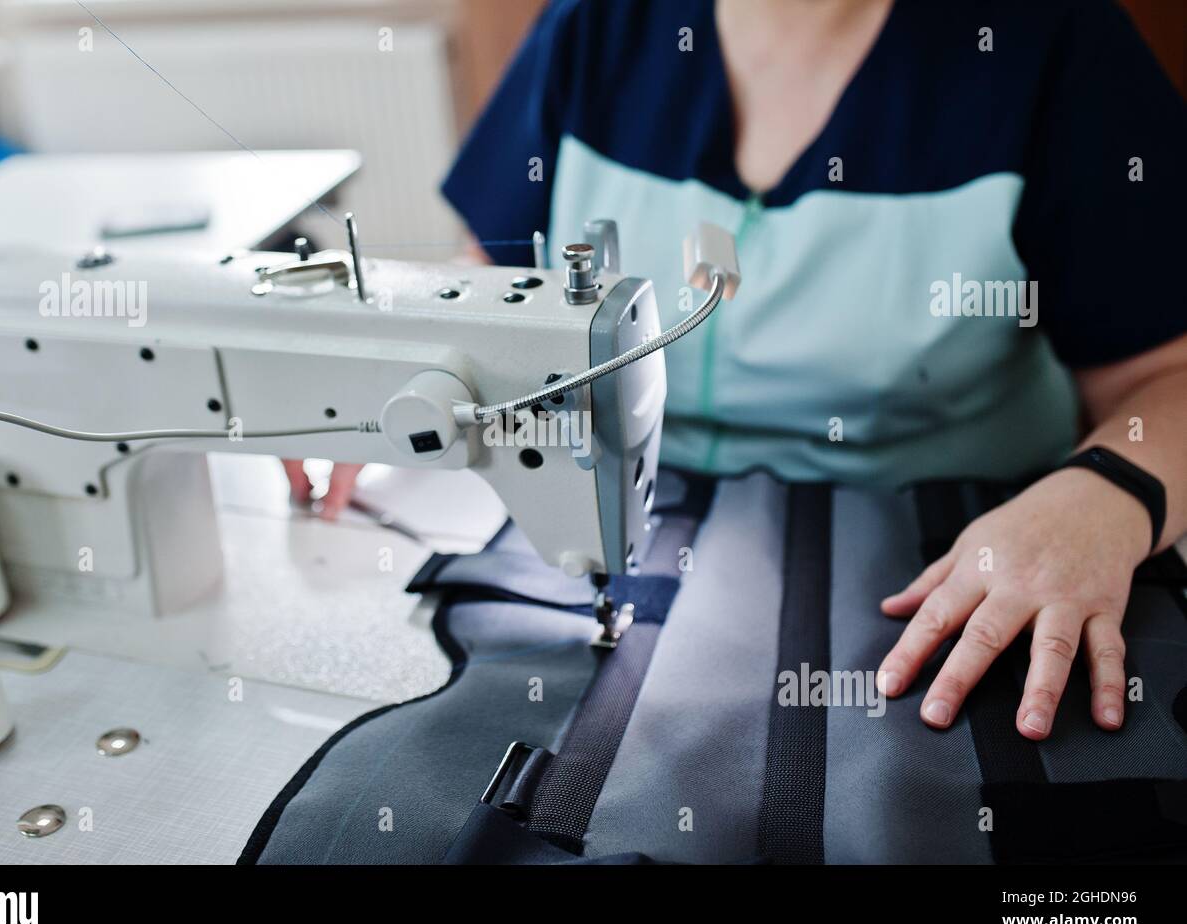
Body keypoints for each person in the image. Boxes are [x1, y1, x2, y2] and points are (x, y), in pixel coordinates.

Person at [369, 0, 1187, 740]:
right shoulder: (592, 30)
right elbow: (481, 298)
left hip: (945, 584)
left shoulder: (1057, 45)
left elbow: (1169, 375)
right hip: (655, 551)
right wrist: (356, 387)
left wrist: (1110, 492)